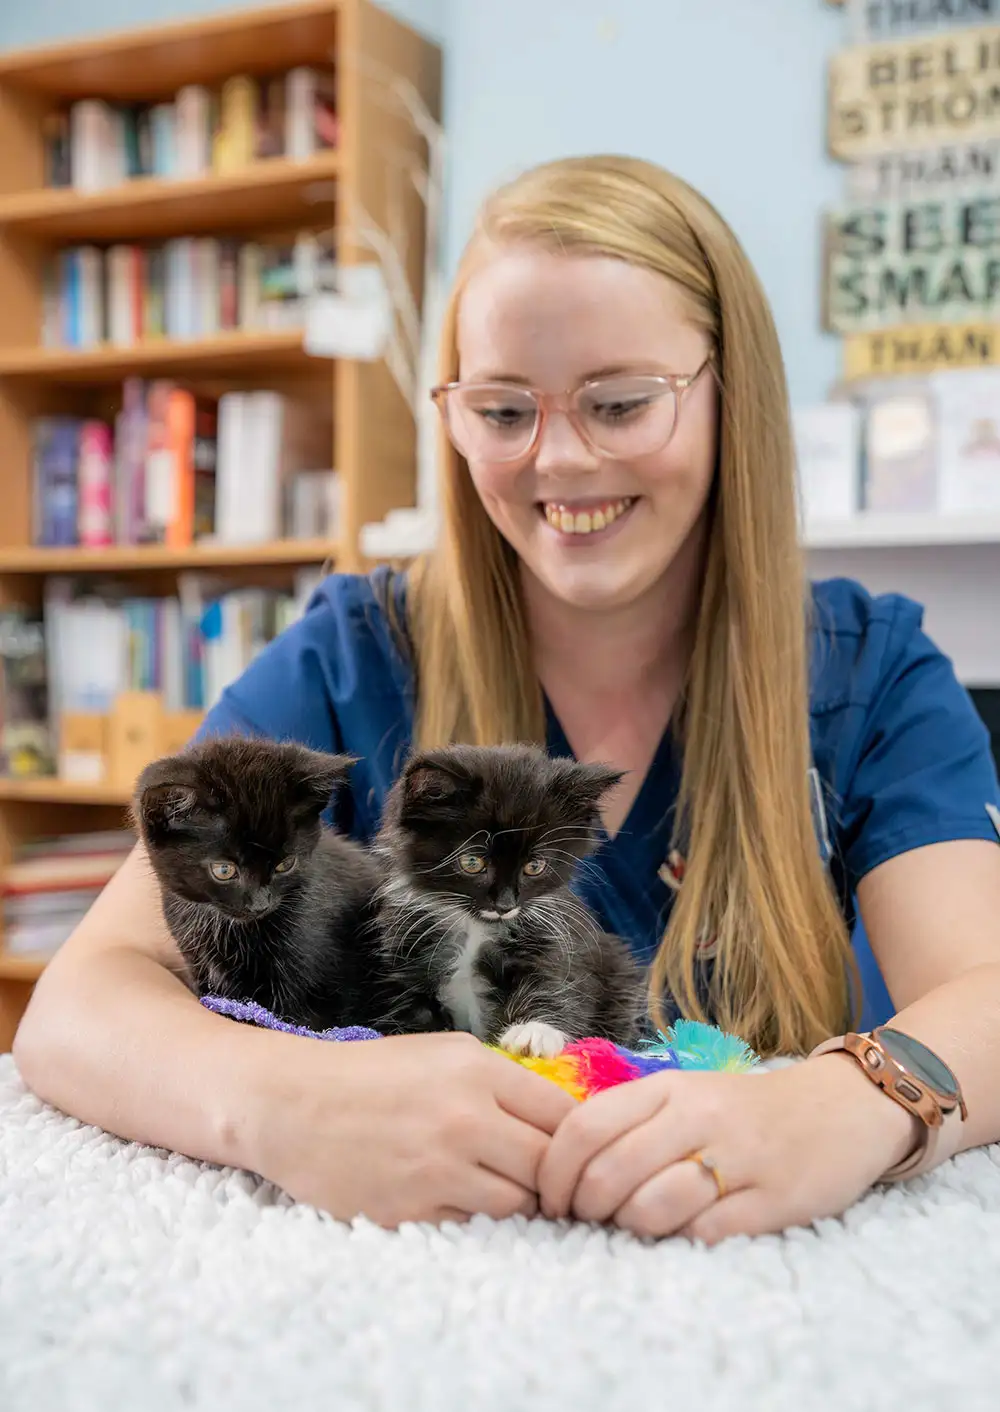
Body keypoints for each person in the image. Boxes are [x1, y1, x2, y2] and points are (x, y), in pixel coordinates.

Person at [14, 155, 1000, 1243]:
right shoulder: (355, 653)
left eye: (621, 402)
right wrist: (278, 1095)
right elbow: (79, 1007)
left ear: (735, 396)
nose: (560, 460)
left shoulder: (868, 671)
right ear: (450, 415)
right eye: (501, 409)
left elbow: (987, 987)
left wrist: (855, 1097)